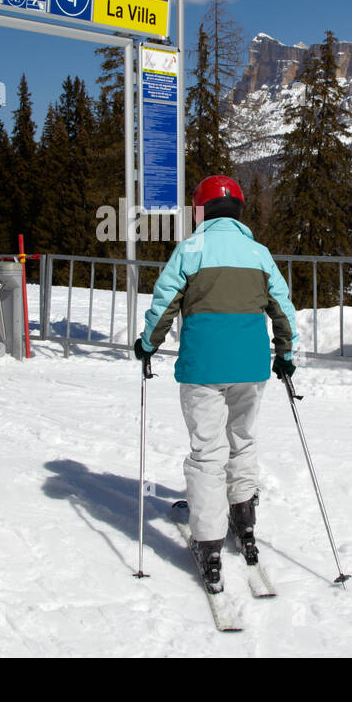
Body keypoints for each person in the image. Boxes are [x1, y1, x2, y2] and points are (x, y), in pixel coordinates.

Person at [135, 176, 298, 592]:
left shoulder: (190, 249)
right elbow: (283, 309)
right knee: (242, 439)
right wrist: (285, 355)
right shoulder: (259, 253)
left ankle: (207, 543)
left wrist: (148, 343)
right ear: (239, 210)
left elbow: (165, 301)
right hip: (250, 367)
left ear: (200, 210)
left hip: (203, 367)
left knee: (208, 452)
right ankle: (243, 521)